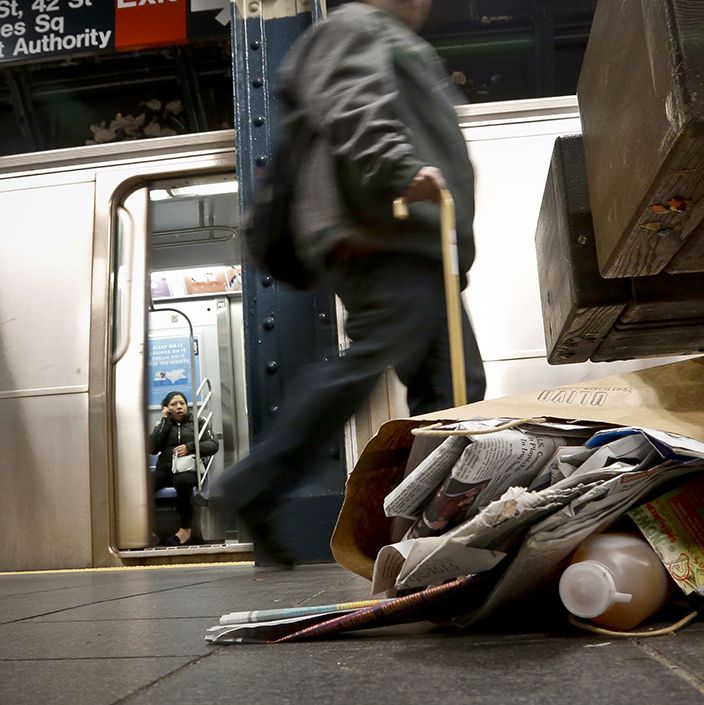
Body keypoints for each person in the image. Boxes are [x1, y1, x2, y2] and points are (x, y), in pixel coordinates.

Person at [221, 0, 486, 566]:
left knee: (454, 391)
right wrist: (396, 167)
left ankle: (431, 532)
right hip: (387, 233)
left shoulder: (380, 35)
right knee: (382, 362)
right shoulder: (355, 28)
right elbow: (351, 99)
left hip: (414, 241)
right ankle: (256, 480)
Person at [150, 391, 219, 545]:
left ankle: (185, 530)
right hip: (166, 468)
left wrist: (190, 447)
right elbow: (152, 448)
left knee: (183, 482)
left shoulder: (198, 421)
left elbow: (213, 444)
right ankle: (146, 529)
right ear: (166, 408)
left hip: (189, 468)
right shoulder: (162, 424)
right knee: (147, 484)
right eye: (174, 404)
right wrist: (164, 422)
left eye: (182, 403)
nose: (179, 407)